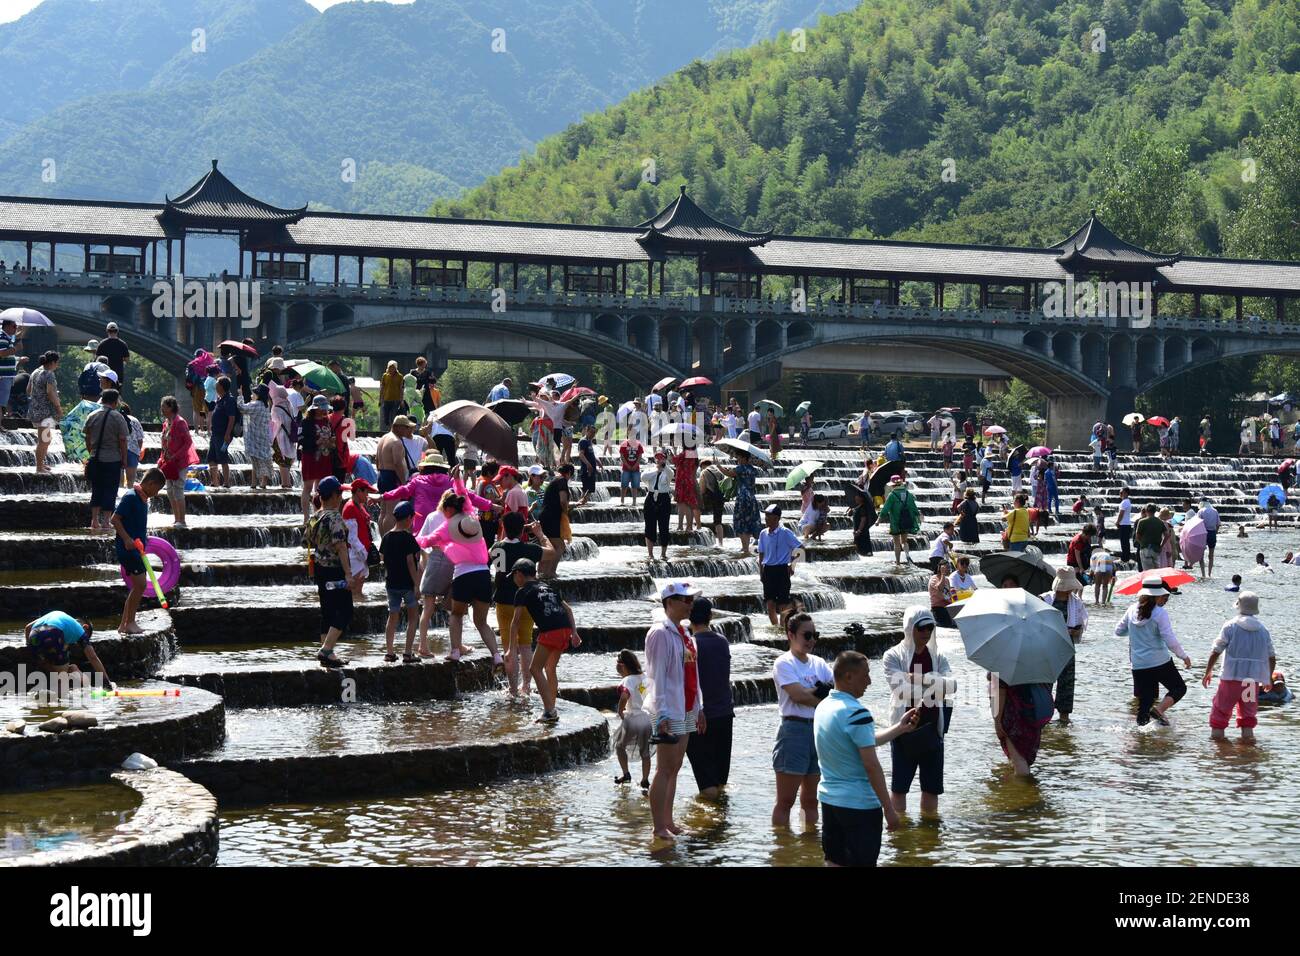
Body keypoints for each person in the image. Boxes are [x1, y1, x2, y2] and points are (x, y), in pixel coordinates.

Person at [815, 651, 919, 866]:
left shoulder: (824, 707)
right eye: (866, 675)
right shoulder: (857, 713)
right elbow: (871, 765)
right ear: (848, 676)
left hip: (830, 801)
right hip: (859, 805)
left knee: (833, 862)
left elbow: (863, 741)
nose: (870, 682)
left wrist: (900, 728)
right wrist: (889, 810)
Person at [644, 581, 704, 845]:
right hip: (667, 708)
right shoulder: (659, 633)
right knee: (664, 769)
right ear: (670, 602)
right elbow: (655, 676)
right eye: (686, 600)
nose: (691, 604)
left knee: (675, 767)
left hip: (686, 706)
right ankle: (659, 827)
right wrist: (662, 714)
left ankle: (668, 822)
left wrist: (699, 707)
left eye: (692, 600)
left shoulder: (685, 633)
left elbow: (694, 673)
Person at [418, 487, 505, 667]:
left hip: (463, 575)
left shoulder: (447, 526)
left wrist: (410, 537)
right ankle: (496, 655)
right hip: (483, 574)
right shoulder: (472, 516)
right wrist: (458, 480)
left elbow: (426, 540)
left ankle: (455, 652)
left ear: (449, 509)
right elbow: (466, 496)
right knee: (481, 622)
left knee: (456, 615)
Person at [882, 606, 955, 817]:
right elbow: (901, 690)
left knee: (932, 789)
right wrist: (935, 684)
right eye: (921, 627)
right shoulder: (892, 656)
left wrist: (922, 678)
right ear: (909, 628)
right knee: (899, 788)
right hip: (904, 729)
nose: (926, 632)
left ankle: (929, 838)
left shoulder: (938, 656)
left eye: (930, 627)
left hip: (933, 729)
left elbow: (953, 686)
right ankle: (900, 833)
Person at [772, 611, 834, 828]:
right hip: (794, 731)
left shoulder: (819, 663)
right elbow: (798, 696)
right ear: (791, 635)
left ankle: (809, 850)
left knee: (811, 801)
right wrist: (821, 695)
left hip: (819, 730)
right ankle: (782, 851)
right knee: (785, 801)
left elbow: (836, 691)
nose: (812, 640)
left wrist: (816, 694)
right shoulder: (784, 663)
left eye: (815, 635)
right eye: (807, 635)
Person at [509, 557, 578, 723]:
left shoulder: (523, 590)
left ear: (519, 574)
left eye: (513, 576)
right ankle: (551, 704)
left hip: (550, 631)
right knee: (550, 668)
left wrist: (511, 649)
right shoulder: (548, 587)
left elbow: (515, 622)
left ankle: (549, 711)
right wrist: (574, 633)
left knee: (534, 669)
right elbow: (568, 609)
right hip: (565, 628)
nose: (514, 580)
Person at [1115, 578, 1191, 726]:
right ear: (1156, 595)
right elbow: (1169, 639)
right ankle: (1160, 710)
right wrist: (1184, 656)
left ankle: (1140, 741)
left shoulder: (1131, 610)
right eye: (1164, 596)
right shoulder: (1160, 613)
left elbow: (1118, 631)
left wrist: (1134, 632)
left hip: (1139, 664)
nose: (1165, 599)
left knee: (1144, 704)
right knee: (1179, 688)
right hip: (1160, 662)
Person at [1202, 592, 1275, 744]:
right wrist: (1268, 678)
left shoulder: (1231, 626)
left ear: (1239, 605)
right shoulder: (1262, 630)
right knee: (1248, 715)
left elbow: (1216, 650)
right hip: (1251, 681)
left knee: (1220, 712)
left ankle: (1218, 746)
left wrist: (1208, 671)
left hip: (1231, 678)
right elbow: (1271, 656)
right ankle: (1247, 749)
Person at [490, 512, 548, 697]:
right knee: (525, 645)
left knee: (510, 648)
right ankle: (527, 687)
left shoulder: (497, 548)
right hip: (526, 602)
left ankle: (513, 690)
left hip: (504, 602)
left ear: (504, 527)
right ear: (522, 529)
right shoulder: (529, 549)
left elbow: (496, 564)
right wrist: (539, 535)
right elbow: (553, 552)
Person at [305, 476, 359, 668]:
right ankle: (326, 649)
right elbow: (341, 546)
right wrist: (348, 574)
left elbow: (307, 541)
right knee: (345, 611)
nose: (342, 497)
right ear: (334, 496)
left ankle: (326, 653)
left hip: (319, 569)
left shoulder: (315, 516)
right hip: (335, 570)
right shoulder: (334, 517)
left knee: (327, 611)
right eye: (340, 493)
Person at [685, 597, 733, 799]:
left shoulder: (690, 646)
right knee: (720, 782)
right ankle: (723, 824)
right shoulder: (722, 642)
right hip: (724, 714)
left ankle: (710, 827)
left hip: (700, 718)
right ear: (710, 617)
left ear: (689, 617)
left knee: (707, 785)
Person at [110, 466, 165, 635]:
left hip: (136, 550)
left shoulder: (142, 499)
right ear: (150, 483)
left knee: (137, 587)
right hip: (128, 550)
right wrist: (127, 539)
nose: (157, 493)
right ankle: (130, 622)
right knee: (140, 585)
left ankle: (123, 625)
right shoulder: (131, 497)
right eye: (157, 489)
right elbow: (115, 519)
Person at [1041, 567, 1089, 725]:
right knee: (1045, 682)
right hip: (1047, 648)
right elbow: (1037, 625)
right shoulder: (1045, 600)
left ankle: (1064, 717)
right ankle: (1043, 715)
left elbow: (1082, 623)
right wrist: (1061, 629)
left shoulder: (1076, 602)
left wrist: (1076, 631)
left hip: (1067, 648)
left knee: (1067, 683)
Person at [379, 501, 422, 663]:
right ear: (407, 519)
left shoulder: (386, 537)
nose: (412, 521)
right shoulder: (408, 538)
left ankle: (389, 652)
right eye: (412, 518)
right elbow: (411, 563)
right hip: (407, 585)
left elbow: (383, 559)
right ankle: (408, 653)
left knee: (393, 617)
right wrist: (417, 584)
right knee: (413, 618)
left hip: (391, 584)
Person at [24, 612, 110, 689]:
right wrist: (107, 682)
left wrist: (32, 650)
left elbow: (27, 628)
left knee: (62, 670)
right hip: (54, 633)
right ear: (85, 627)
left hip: (34, 636)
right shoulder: (79, 629)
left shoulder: (58, 615)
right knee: (62, 678)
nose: (76, 643)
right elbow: (93, 657)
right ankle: (58, 703)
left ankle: (47, 698)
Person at [83, 388, 128, 531]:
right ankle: (106, 521)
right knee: (110, 490)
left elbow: (87, 437)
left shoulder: (92, 415)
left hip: (95, 458)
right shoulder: (118, 417)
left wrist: (92, 452)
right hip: (113, 459)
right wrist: (124, 459)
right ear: (115, 402)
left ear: (102, 400)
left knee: (97, 488)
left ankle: (94, 520)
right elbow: (122, 440)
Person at [990, 675, 1051, 776]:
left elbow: (1000, 692)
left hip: (1014, 719)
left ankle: (1021, 788)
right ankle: (1022, 787)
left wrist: (997, 722)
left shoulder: (1004, 666)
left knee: (1019, 762)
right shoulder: (1039, 665)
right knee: (1023, 758)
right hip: (1034, 715)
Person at [157, 396, 198, 530]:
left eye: (163, 406)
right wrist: (161, 459)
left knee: (178, 489)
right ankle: (176, 519)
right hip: (168, 463)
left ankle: (182, 520)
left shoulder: (180, 422)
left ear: (170, 407)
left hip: (180, 463)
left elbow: (188, 442)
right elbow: (164, 443)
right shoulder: (166, 423)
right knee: (169, 491)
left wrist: (175, 456)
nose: (162, 409)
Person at [613, 650, 653, 788]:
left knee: (619, 746)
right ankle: (645, 780)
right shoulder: (645, 677)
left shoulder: (628, 680)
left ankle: (626, 774)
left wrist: (620, 710)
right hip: (646, 718)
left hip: (633, 717)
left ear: (623, 666)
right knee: (645, 751)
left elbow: (624, 696)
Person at [758, 504, 801, 627]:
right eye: (765, 515)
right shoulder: (763, 534)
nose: (765, 518)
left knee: (783, 603)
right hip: (768, 570)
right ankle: (775, 627)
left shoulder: (785, 533)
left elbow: (800, 549)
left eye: (768, 516)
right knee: (770, 603)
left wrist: (792, 565)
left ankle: (782, 628)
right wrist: (761, 573)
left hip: (782, 570)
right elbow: (761, 554)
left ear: (776, 518)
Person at [719, 449, 761, 556]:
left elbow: (728, 474)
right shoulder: (752, 469)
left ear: (743, 458)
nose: (737, 459)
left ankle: (745, 548)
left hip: (742, 498)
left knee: (741, 523)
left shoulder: (740, 469)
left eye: (738, 457)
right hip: (752, 498)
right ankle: (745, 548)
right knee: (749, 522)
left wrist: (718, 466)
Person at [25, 350, 60, 474]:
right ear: (53, 362)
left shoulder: (35, 372)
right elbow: (50, 393)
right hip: (45, 412)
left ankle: (41, 464)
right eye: (57, 363)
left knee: (46, 439)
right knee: (44, 440)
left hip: (35, 409)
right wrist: (58, 408)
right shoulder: (49, 374)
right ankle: (39, 467)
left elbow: (28, 390)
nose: (57, 366)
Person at [877, 475, 920, 566]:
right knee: (904, 541)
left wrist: (879, 520)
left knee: (896, 543)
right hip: (906, 521)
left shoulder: (892, 495)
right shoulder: (908, 494)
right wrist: (918, 516)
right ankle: (907, 555)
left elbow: (885, 509)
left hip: (895, 523)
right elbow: (914, 508)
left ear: (893, 485)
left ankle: (898, 562)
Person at [643, 451, 674, 562]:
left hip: (664, 498)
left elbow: (671, 475)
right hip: (651, 497)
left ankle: (663, 554)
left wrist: (663, 467)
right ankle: (650, 554)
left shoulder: (668, 470)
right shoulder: (650, 469)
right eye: (657, 458)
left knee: (664, 526)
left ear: (665, 459)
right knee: (650, 526)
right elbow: (643, 477)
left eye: (662, 458)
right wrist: (656, 471)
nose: (659, 460)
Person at [699, 458, 727, 548]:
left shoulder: (704, 472)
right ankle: (721, 543)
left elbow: (702, 490)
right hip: (719, 497)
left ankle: (697, 527)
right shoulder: (719, 472)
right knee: (718, 521)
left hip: (708, 497)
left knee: (695, 508)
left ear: (703, 465)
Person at [671, 446, 699, 533]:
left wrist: (671, 454)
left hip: (682, 481)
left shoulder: (685, 453)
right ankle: (688, 526)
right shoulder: (694, 454)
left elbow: (674, 461)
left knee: (682, 504)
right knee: (688, 504)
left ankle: (681, 526)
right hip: (689, 480)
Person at [0, 315, 21, 428]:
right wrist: (16, 348)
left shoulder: (7, 337)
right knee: (1, 402)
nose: (15, 328)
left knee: (2, 402)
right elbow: (2, 353)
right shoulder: (2, 337)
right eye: (14, 326)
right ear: (7, 326)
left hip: (6, 375)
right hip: (3, 376)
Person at [1134, 503, 1165, 571]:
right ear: (1155, 511)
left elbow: (1137, 535)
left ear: (1146, 511)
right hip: (1156, 549)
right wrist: (1161, 546)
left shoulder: (1141, 521)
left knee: (1148, 572)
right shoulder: (1160, 522)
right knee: (1156, 570)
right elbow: (1167, 535)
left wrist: (1142, 543)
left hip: (1145, 548)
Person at [927, 559, 956, 628]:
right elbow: (940, 588)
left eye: (949, 567)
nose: (949, 569)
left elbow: (948, 595)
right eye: (947, 567)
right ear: (940, 568)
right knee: (946, 626)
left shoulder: (947, 580)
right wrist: (942, 574)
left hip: (948, 608)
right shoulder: (934, 579)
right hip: (938, 608)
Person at [618, 432, 643, 505]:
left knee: (634, 486)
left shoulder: (639, 444)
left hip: (636, 469)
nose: (633, 436)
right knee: (624, 486)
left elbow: (639, 456)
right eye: (631, 435)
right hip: (626, 468)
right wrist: (627, 465)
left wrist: (636, 465)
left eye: (634, 435)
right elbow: (622, 456)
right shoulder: (624, 444)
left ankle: (634, 501)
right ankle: (622, 501)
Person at [851, 485, 876, 556]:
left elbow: (863, 520)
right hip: (859, 531)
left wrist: (859, 531)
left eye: (857, 496)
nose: (855, 497)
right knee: (860, 551)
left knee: (862, 550)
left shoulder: (862, 508)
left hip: (862, 532)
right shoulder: (858, 507)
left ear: (861, 498)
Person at [378, 360, 403, 431]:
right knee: (386, 417)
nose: (391, 369)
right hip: (386, 399)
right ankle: (389, 427)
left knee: (393, 416)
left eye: (393, 367)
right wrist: (380, 399)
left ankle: (392, 430)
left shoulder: (400, 376)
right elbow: (382, 388)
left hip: (396, 399)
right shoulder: (385, 375)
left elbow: (401, 389)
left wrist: (401, 400)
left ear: (395, 368)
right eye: (390, 367)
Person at [1114, 487, 1134, 564]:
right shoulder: (1127, 501)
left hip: (1124, 524)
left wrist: (1117, 522)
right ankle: (1126, 557)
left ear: (1126, 493)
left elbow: (1121, 513)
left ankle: (1124, 558)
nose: (1120, 494)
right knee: (1126, 542)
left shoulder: (1124, 502)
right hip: (1126, 524)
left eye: (1121, 493)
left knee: (1124, 542)